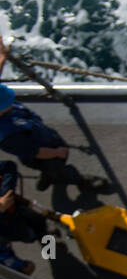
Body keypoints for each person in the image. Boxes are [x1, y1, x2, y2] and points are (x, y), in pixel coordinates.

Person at [0, 40, 108, 193]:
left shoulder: (5, 108)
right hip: (43, 154)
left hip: (42, 135)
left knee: (53, 165)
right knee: (59, 169)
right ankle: (82, 182)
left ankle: (48, 176)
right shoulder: (7, 136)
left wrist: (2, 56)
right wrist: (57, 152)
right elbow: (35, 152)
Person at [0, 160, 46, 276]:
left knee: (38, 221)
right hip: (9, 227)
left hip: (13, 211)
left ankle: (48, 241)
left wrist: (6, 195)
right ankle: (50, 246)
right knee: (31, 234)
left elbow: (8, 166)